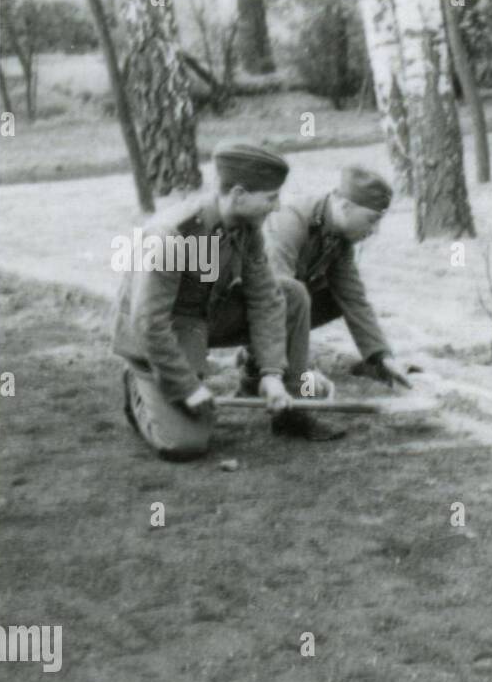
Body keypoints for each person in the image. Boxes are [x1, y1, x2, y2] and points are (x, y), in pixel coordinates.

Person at [112, 140, 345, 461]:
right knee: (185, 444)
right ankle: (139, 384)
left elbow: (266, 298)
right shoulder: (171, 237)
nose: (277, 207)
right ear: (238, 195)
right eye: (271, 197)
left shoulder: (246, 228)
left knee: (292, 294)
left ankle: (287, 408)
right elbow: (148, 324)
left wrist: (272, 374)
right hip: (160, 332)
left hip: (204, 316)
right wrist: (187, 388)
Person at [260, 165, 417, 391]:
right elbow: (276, 297)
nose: (374, 231)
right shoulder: (290, 221)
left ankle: (266, 359)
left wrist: (382, 357)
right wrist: (296, 368)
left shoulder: (338, 235)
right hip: (240, 310)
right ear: (344, 206)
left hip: (273, 309)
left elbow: (353, 298)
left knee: (336, 297)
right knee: (294, 293)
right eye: (372, 220)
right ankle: (262, 366)